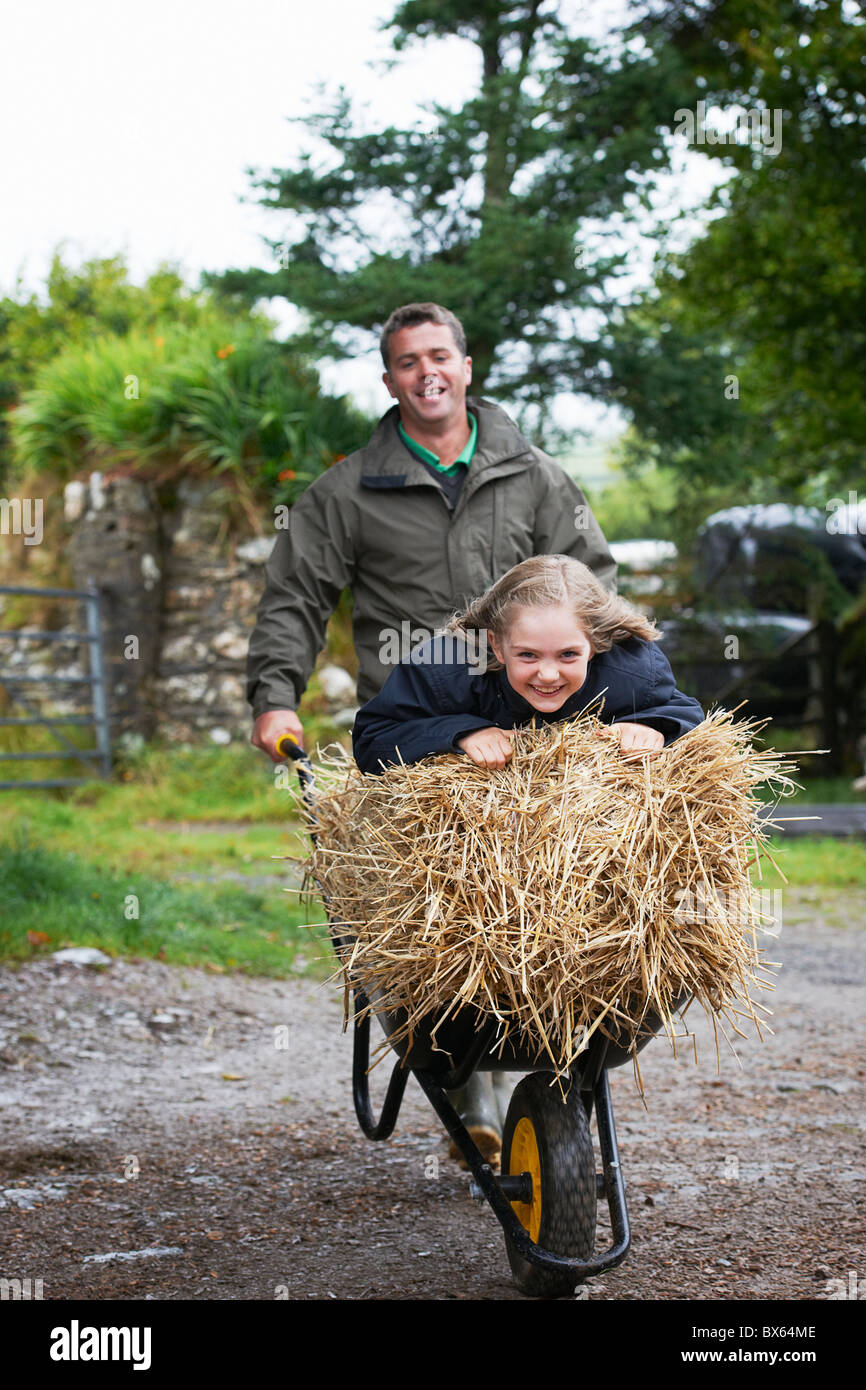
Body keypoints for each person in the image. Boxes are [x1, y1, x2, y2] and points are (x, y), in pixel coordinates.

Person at [351, 555, 705, 1167]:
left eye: (568, 656)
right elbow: (374, 738)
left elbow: (688, 717)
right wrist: (458, 732)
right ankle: (477, 1102)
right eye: (527, 657)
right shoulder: (444, 666)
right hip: (464, 875)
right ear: (494, 643)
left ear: (594, 641)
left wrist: (653, 727)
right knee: (448, 970)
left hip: (589, 881)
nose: (547, 675)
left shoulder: (632, 670)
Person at [247, 302, 616, 763]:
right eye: (408, 362)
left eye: (439, 357)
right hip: (408, 739)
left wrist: (628, 700)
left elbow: (594, 593)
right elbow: (294, 598)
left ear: (465, 367)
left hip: (533, 735)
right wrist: (275, 699)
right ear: (389, 382)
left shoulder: (538, 477)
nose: (427, 372)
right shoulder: (341, 494)